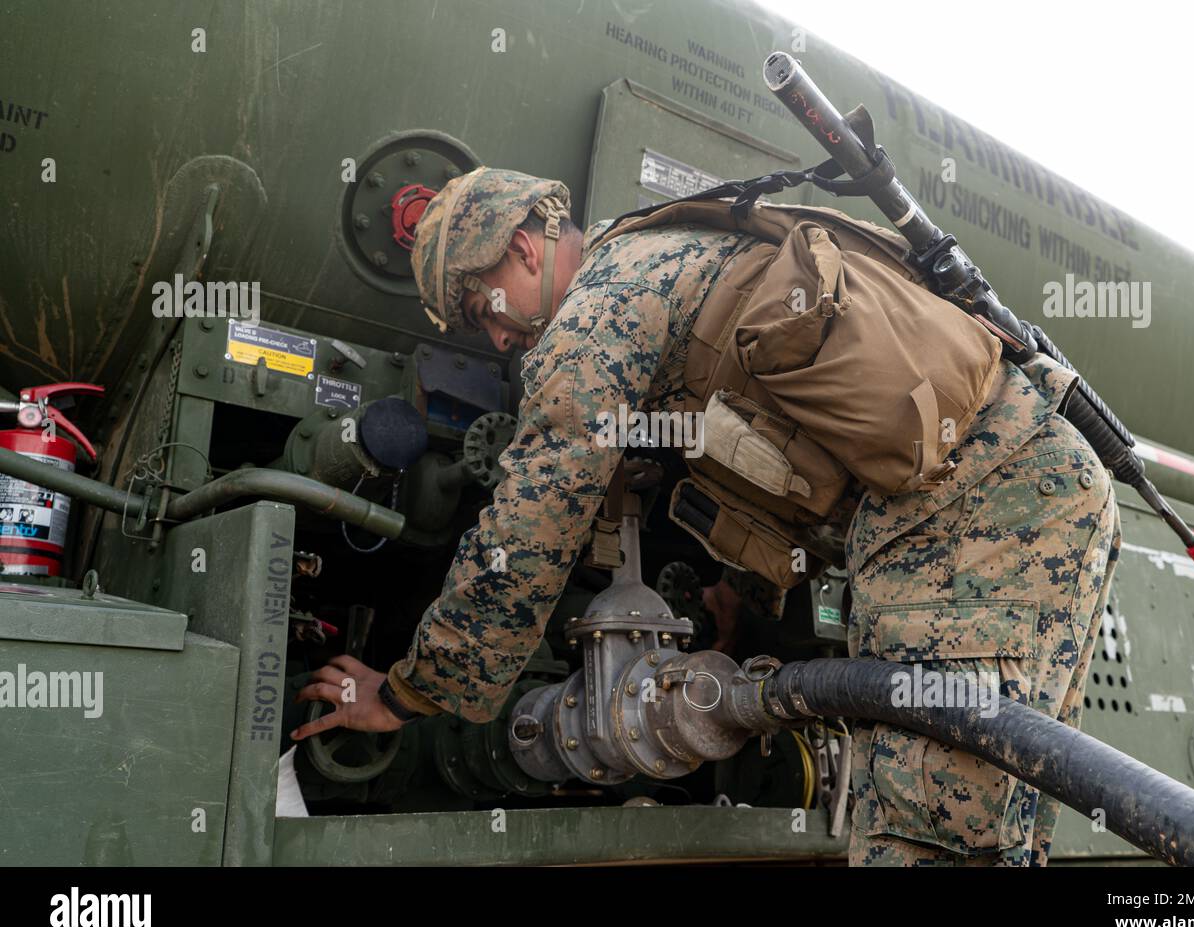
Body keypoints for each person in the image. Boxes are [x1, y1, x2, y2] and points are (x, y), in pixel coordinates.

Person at [292, 166, 1121, 867]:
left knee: (922, 837)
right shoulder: (660, 258)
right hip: (1029, 489)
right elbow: (778, 443)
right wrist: (743, 596)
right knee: (995, 831)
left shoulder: (593, 316)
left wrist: (406, 693)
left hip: (973, 520)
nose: (498, 338)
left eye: (481, 307)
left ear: (520, 247)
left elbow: (526, 532)